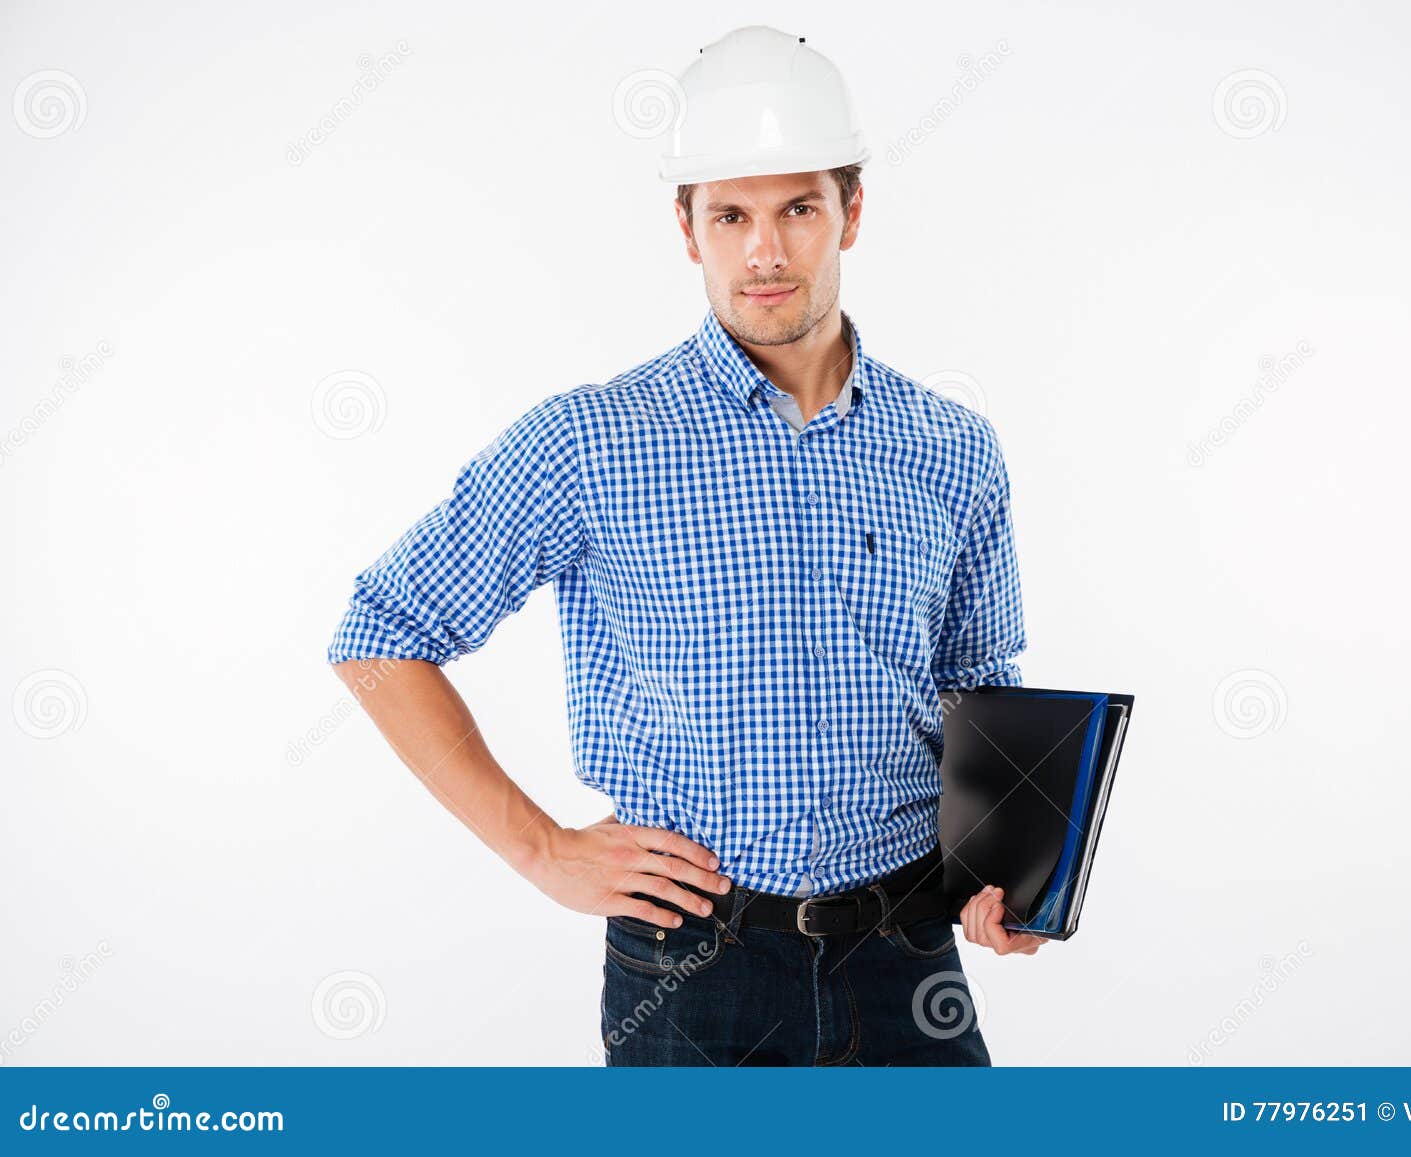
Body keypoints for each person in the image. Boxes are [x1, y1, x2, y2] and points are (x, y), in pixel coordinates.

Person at [327, 24, 1041, 1067]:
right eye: (730, 214)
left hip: (908, 959)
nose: (765, 249)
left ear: (850, 210)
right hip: (692, 973)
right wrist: (539, 849)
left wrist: (1009, 873)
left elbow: (979, 684)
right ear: (685, 225)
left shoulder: (951, 445)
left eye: (798, 206)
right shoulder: (593, 439)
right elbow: (380, 631)